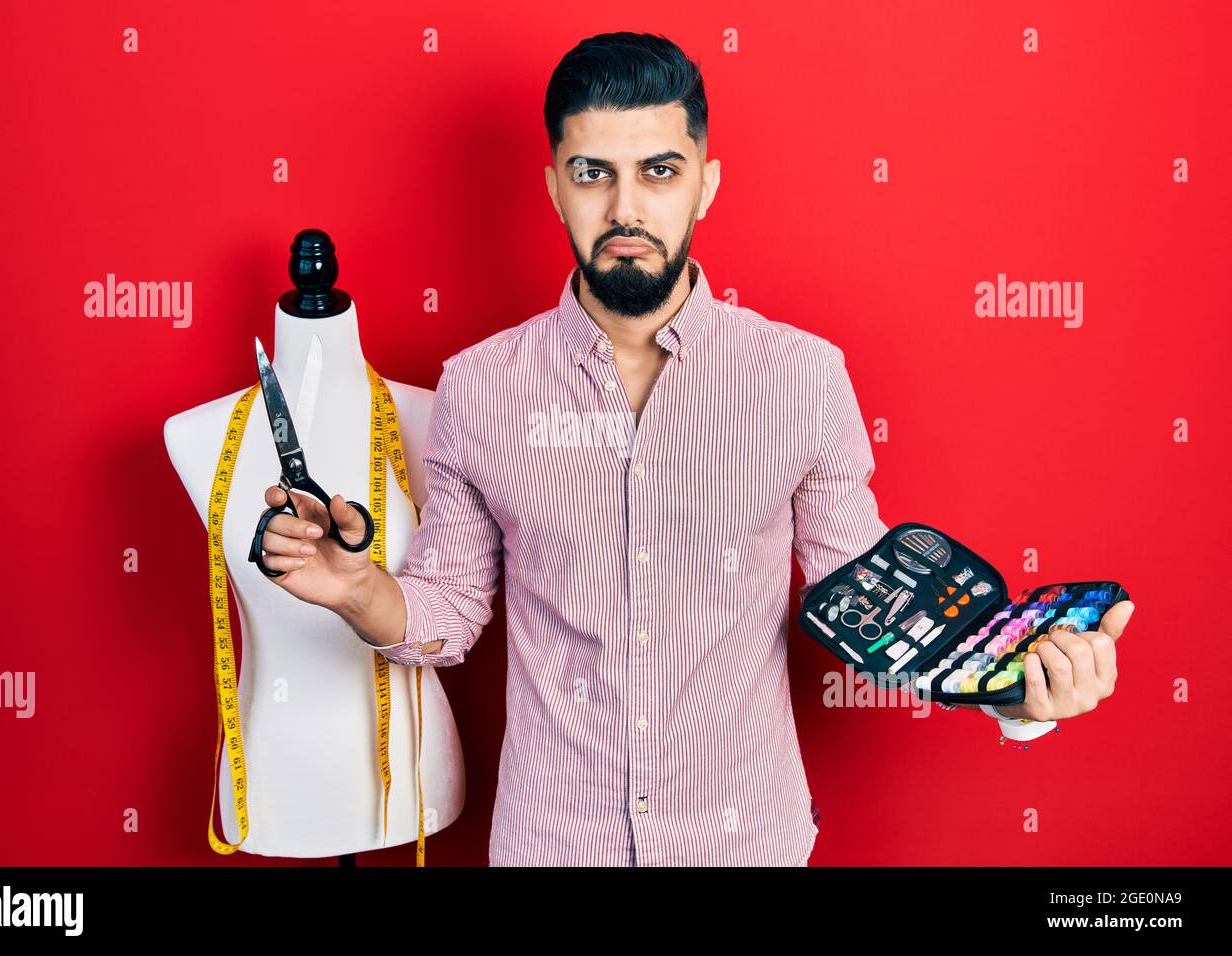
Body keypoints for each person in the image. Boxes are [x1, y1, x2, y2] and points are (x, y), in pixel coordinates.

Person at [252, 32, 1134, 865]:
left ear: (705, 185)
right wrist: (358, 591)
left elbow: (863, 598)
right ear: (555, 185)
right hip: (554, 847)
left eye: (659, 172)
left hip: (746, 842)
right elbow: (446, 614)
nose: (626, 208)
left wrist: (1012, 693)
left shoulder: (803, 377)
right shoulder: (478, 387)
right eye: (593, 172)